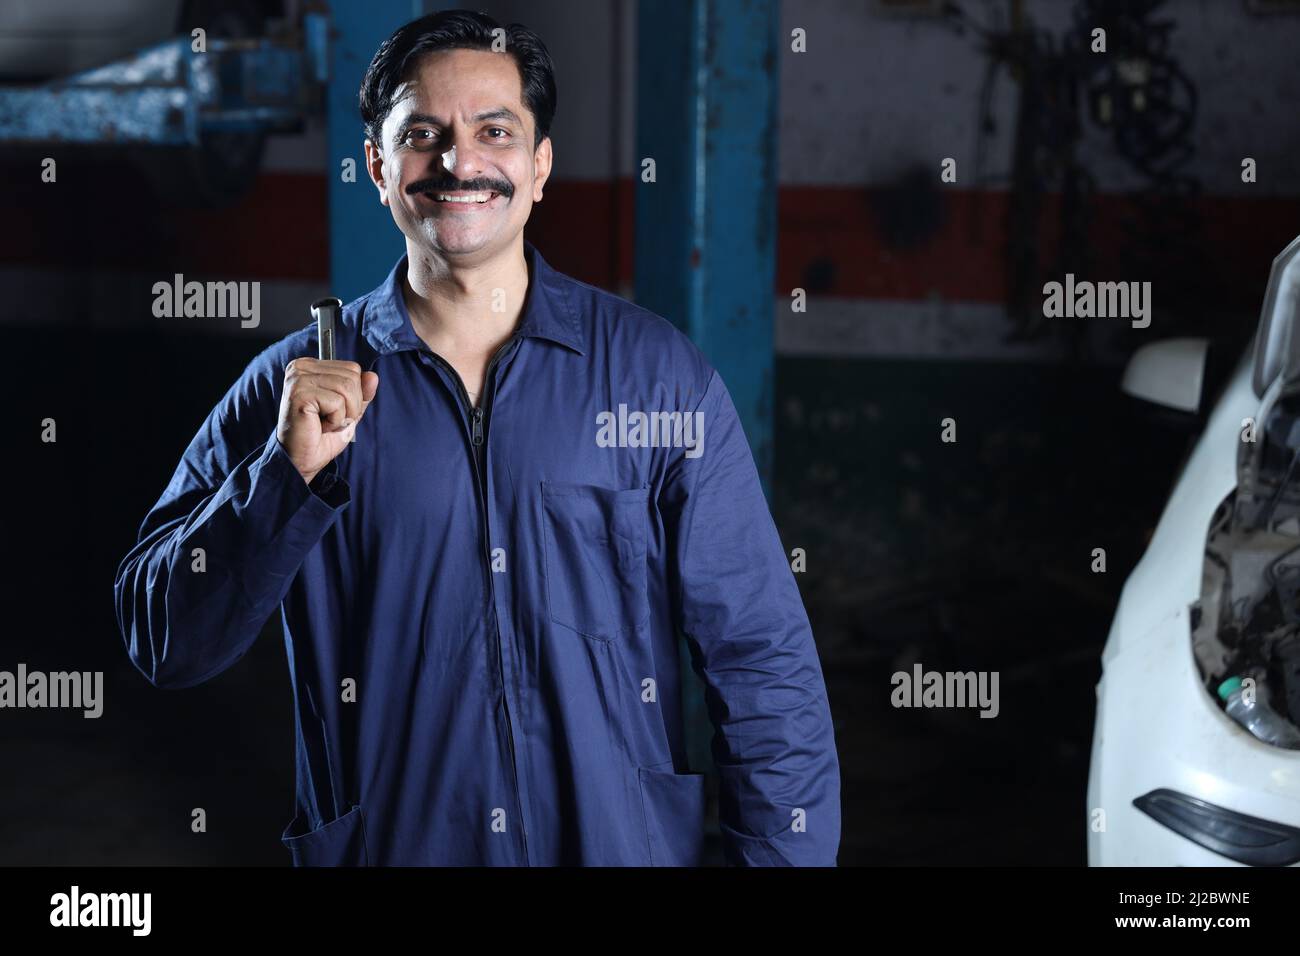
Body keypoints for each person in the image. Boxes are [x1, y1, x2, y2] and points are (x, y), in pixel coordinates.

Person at [114, 9, 840, 866]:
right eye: (424, 134)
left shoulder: (654, 377)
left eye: (494, 131)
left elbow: (760, 655)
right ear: (379, 168)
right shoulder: (293, 391)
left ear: (538, 168)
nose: (460, 162)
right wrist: (282, 481)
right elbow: (164, 639)